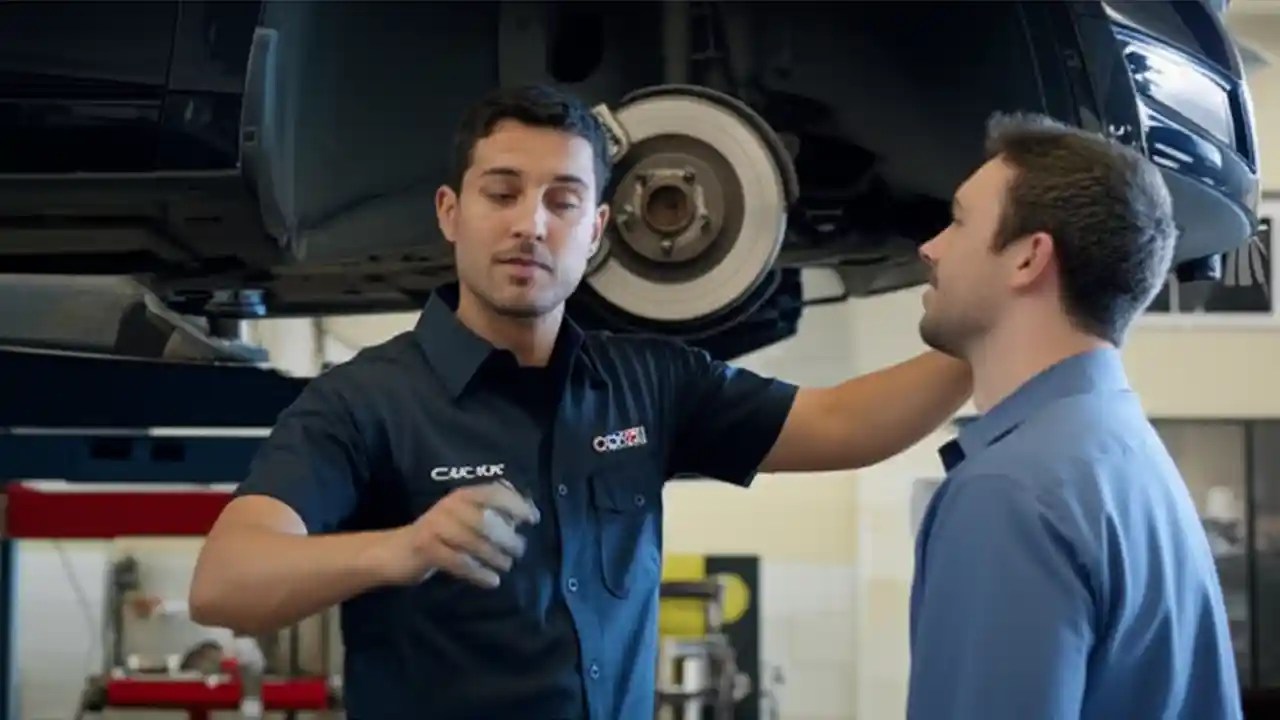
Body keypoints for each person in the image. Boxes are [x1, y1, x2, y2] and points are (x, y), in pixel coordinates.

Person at [188, 83, 971, 720]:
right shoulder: (365, 402)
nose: (531, 224)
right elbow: (226, 583)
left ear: (596, 230)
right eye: (502, 193)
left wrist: (988, 341)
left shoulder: (650, 384)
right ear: (451, 214)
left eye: (562, 201)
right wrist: (402, 550)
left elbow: (843, 423)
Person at [907, 111, 1243, 720]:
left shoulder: (1009, 494)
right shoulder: (1129, 456)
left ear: (1029, 259)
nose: (929, 248)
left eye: (957, 222)